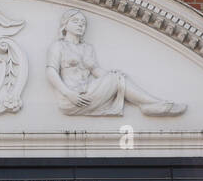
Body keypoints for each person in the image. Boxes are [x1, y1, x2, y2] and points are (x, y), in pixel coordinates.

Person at [45, 10, 186, 116]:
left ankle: (152, 104)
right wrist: (68, 94)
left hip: (89, 92)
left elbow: (95, 71)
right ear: (65, 25)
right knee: (116, 79)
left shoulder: (87, 48)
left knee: (117, 76)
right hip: (71, 98)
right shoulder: (59, 46)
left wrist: (112, 77)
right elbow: (51, 72)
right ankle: (151, 104)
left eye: (83, 23)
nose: (80, 25)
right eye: (75, 21)